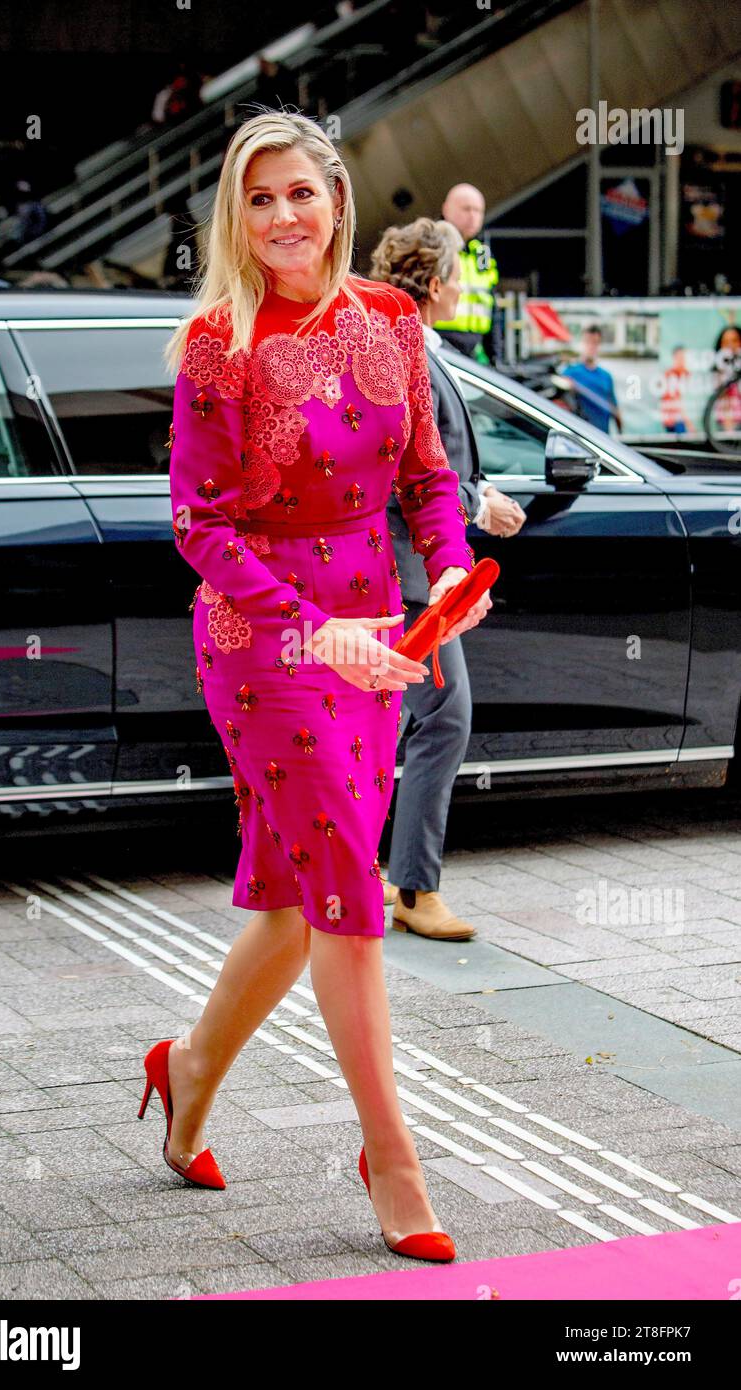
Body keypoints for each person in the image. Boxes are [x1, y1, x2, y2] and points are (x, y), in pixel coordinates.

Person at [153, 108, 493, 1263]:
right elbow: (197, 522)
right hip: (263, 640)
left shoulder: (393, 320)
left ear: (338, 200)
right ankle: (390, 1155)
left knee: (299, 902)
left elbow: (426, 479)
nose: (283, 217)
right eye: (259, 199)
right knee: (346, 884)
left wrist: (446, 568)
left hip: (376, 638)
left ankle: (187, 1071)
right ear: (234, 219)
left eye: (301, 193)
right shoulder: (216, 342)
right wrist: (312, 633)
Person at [370, 217, 526, 939]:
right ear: (435, 285)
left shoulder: (409, 346)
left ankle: (380, 875)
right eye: (458, 275)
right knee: (444, 716)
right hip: (406, 574)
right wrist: (478, 501)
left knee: (403, 721)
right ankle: (413, 888)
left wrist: (471, 493)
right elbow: (406, 472)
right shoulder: (408, 354)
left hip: (403, 568)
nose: (464, 287)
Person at [433, 182, 499, 364]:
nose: (473, 216)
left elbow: (492, 308)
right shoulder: (432, 248)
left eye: (478, 211)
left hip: (475, 352)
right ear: (446, 209)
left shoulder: (482, 255)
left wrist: (495, 359)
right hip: (439, 345)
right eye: (466, 209)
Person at [559, 325, 623, 434]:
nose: (591, 346)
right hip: (579, 437)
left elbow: (615, 410)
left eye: (595, 343)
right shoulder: (569, 373)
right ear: (582, 343)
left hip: (602, 439)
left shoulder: (606, 377)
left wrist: (621, 432)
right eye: (587, 342)